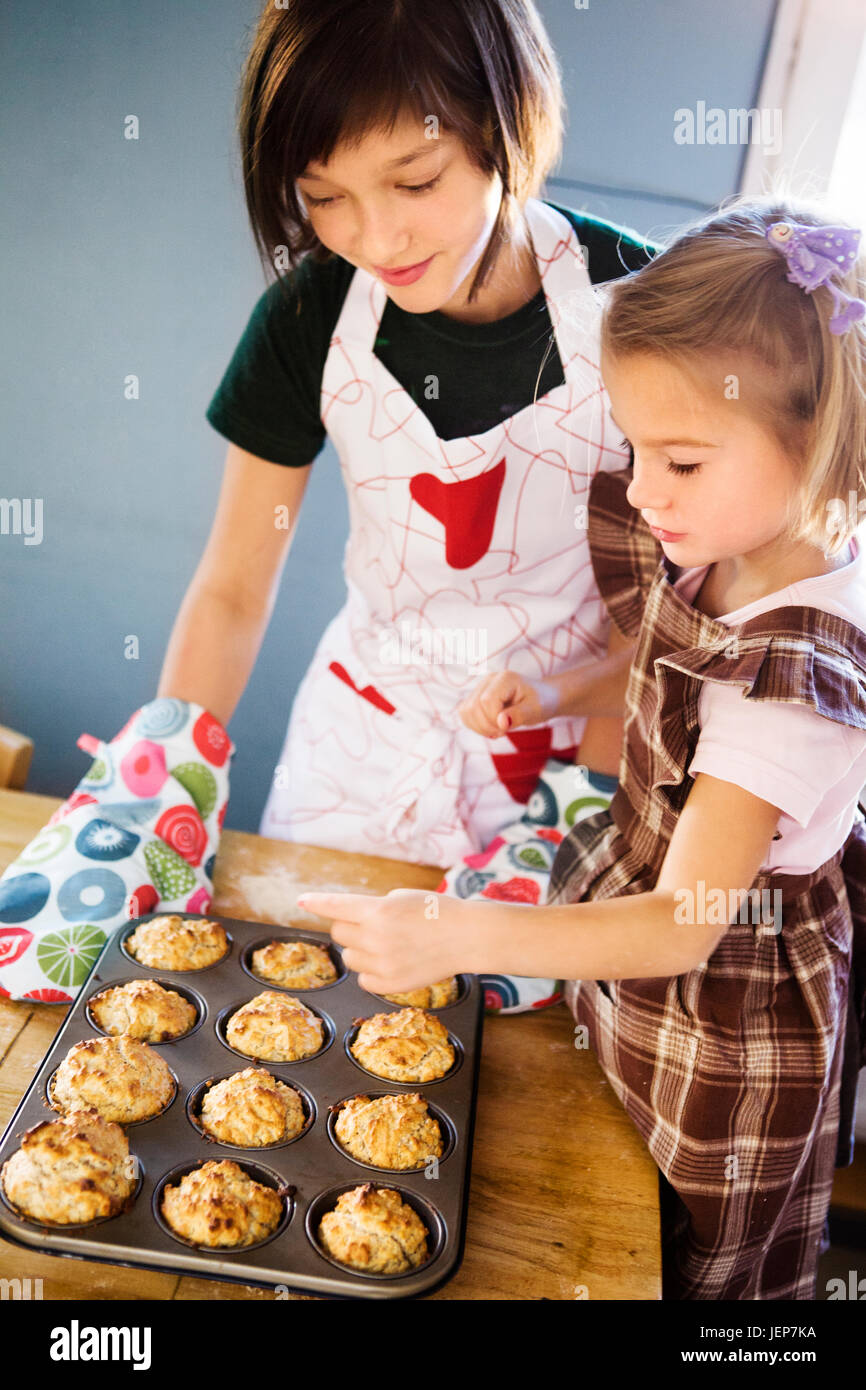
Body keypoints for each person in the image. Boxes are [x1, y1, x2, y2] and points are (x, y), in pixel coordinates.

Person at [298, 196, 866, 1300]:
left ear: (821, 446)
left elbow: (680, 925)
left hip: (718, 1024)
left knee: (666, 1248)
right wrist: (554, 690)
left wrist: (462, 932)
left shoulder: (786, 693)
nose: (644, 489)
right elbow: (663, 658)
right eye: (634, 447)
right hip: (645, 957)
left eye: (683, 462)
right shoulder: (744, 545)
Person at [158, 0, 656, 868]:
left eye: (416, 180)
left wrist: (583, 796)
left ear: (508, 126)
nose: (376, 237)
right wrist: (164, 780)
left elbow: (655, 616)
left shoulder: (643, 310)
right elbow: (233, 588)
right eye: (325, 197)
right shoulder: (309, 318)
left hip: (563, 752)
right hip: (355, 750)